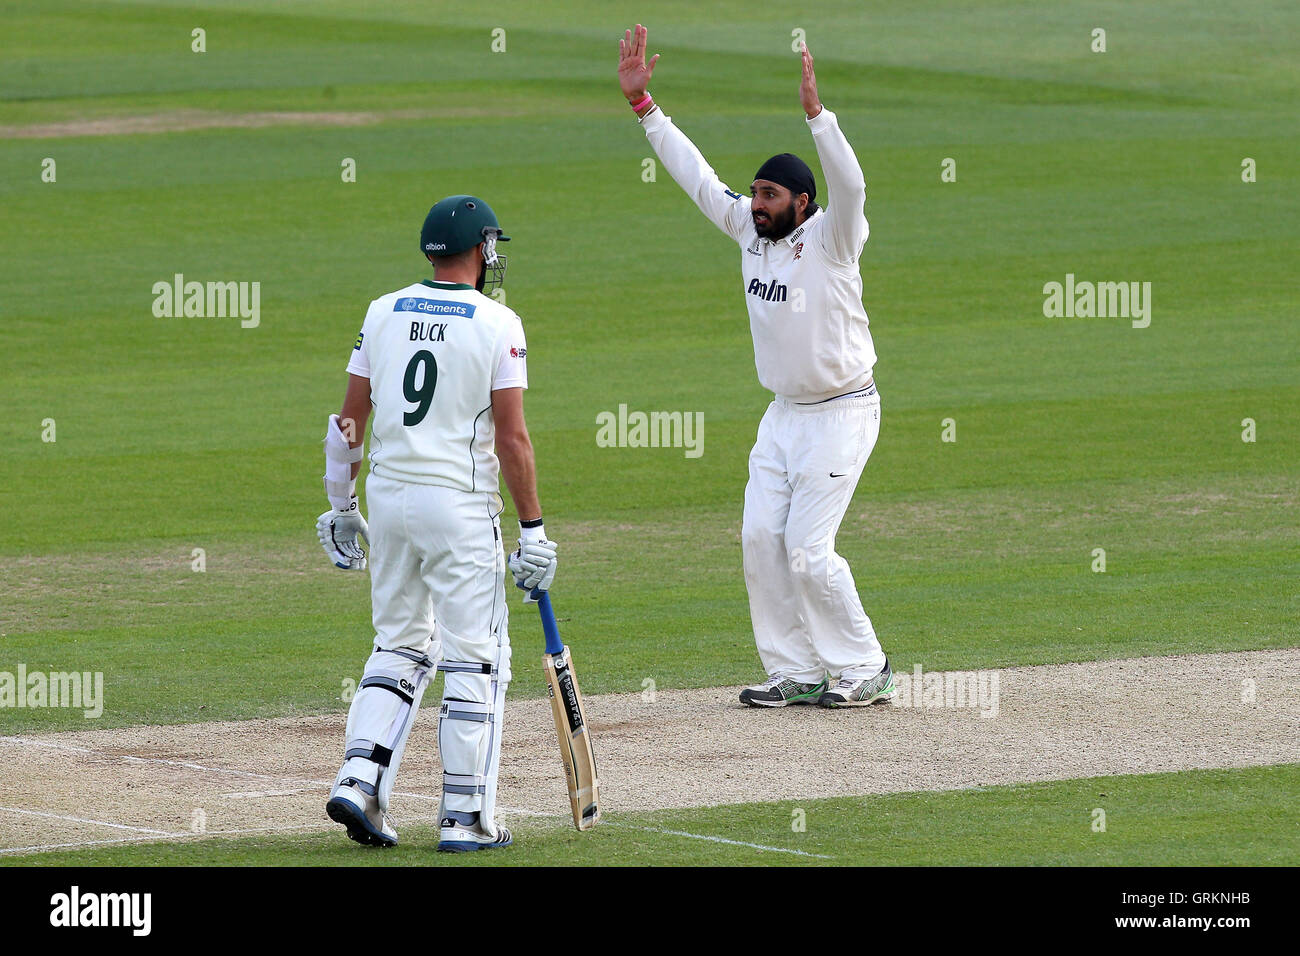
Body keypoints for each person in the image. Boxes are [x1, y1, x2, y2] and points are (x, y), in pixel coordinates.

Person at [617, 25, 894, 708]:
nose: (756, 203)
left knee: (807, 547)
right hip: (782, 415)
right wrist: (644, 106)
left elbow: (852, 186)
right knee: (760, 538)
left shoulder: (833, 238)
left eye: (769, 195)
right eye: (755, 193)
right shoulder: (749, 231)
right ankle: (795, 670)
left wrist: (818, 118)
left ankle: (865, 666)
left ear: (801, 202)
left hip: (843, 411)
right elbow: (695, 176)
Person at [315, 194, 558, 851]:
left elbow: (347, 422)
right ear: (480, 250)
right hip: (458, 508)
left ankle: (360, 781)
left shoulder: (383, 311)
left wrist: (341, 505)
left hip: (390, 503)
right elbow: (513, 440)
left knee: (399, 644)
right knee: (478, 659)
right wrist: (532, 529)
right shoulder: (498, 322)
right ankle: (466, 819)